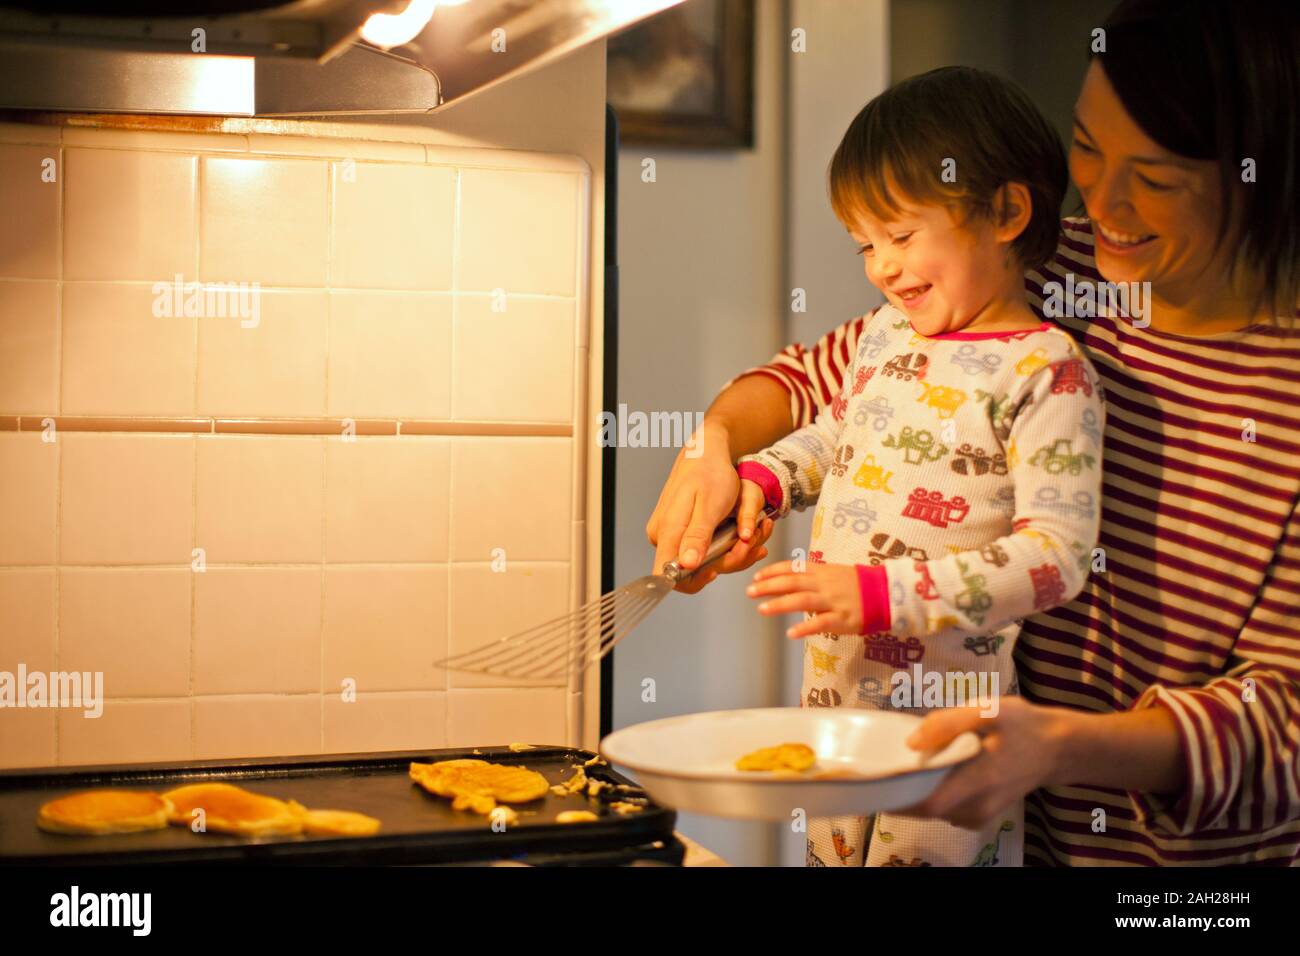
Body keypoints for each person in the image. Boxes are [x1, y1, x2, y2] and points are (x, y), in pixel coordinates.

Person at [646, 0, 1300, 865]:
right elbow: (823, 387)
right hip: (916, 763)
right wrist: (722, 456)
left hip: (1156, 872)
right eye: (1089, 148)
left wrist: (1061, 744)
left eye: (1158, 177)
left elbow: (1285, 724)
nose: (1099, 203)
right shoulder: (1039, 267)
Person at [734, 66, 1105, 867]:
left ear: (1007, 212)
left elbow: (1058, 559)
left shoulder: (1045, 369)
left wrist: (883, 594)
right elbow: (839, 434)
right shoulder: (886, 336)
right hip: (836, 703)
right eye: (865, 243)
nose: (881, 267)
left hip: (953, 724)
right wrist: (762, 479)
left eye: (901, 236)